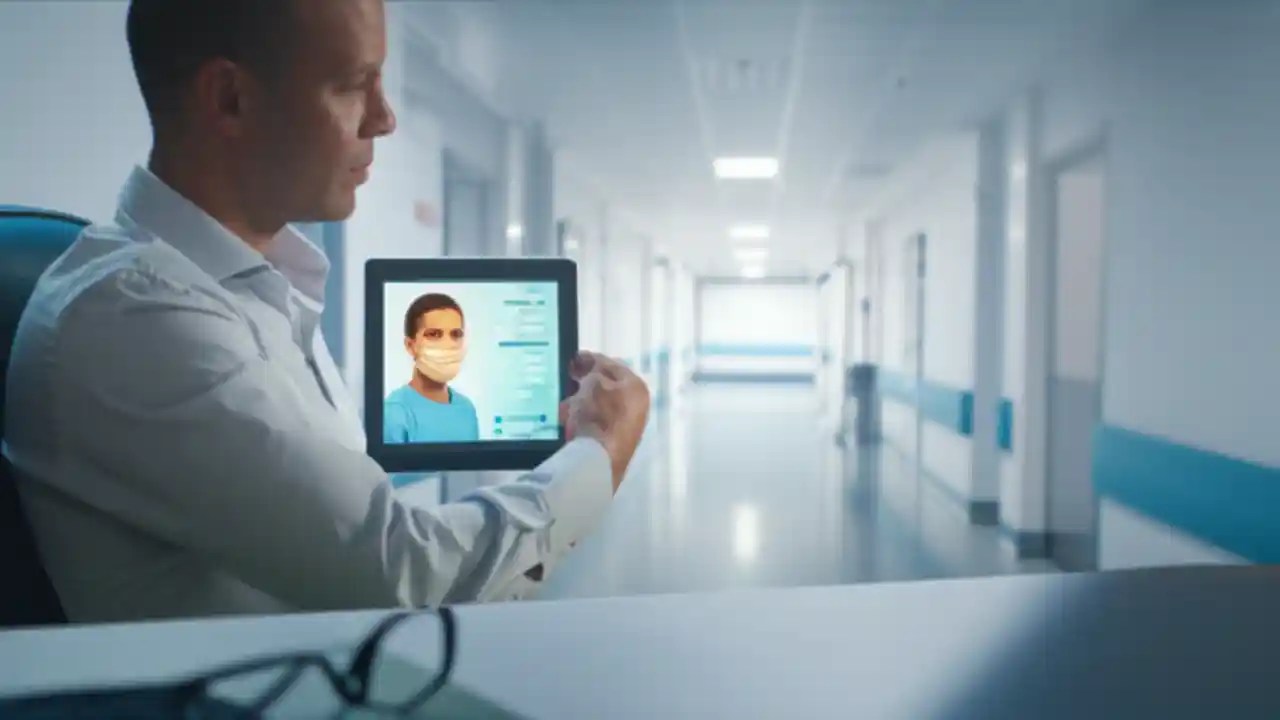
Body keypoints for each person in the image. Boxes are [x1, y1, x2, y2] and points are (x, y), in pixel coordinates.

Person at [1, 0, 649, 623]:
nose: (384, 119)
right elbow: (399, 571)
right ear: (230, 99)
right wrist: (599, 452)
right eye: (353, 85)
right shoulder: (133, 316)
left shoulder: (253, 291)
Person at [383, 293, 480, 444]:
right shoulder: (394, 413)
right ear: (410, 346)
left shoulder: (466, 409)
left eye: (456, 334)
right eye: (434, 334)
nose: (448, 344)